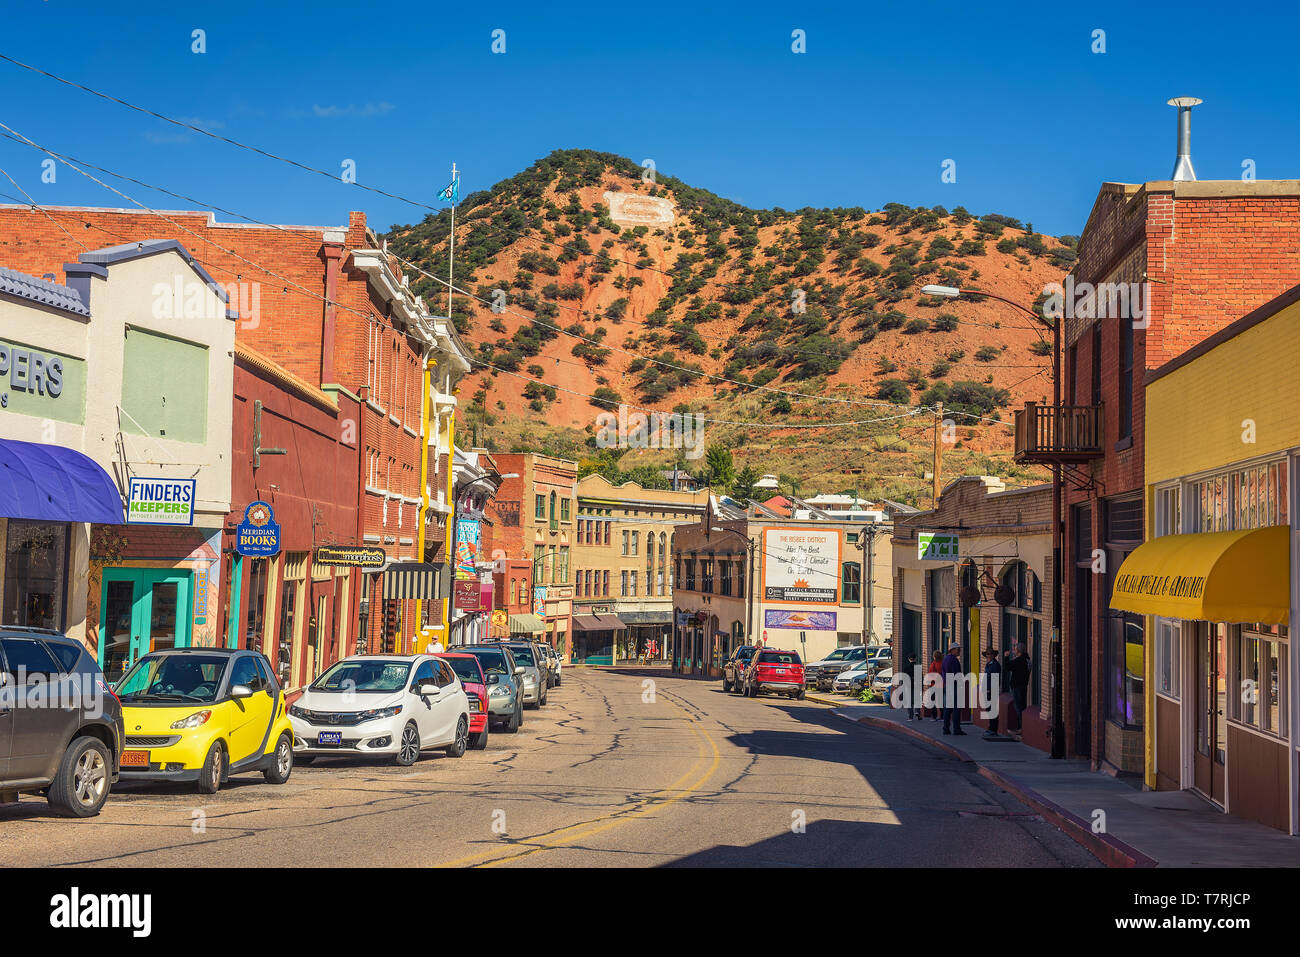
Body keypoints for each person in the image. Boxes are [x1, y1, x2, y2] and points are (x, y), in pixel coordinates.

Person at [1006, 642, 1031, 739]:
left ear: (1019, 650)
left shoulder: (1020, 660)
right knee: (1022, 706)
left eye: (1015, 649)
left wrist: (1006, 657)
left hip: (1018, 686)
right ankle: (1020, 727)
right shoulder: (1027, 660)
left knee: (1019, 707)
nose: (1014, 651)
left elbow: (1007, 667)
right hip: (1023, 685)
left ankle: (1021, 728)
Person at [941, 643, 965, 735]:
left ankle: (946, 728)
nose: (959, 651)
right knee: (956, 708)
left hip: (948, 684)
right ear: (952, 650)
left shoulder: (945, 659)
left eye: (959, 649)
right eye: (957, 649)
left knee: (948, 708)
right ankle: (956, 729)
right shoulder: (954, 660)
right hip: (955, 685)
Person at [981, 648, 1002, 738]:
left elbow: (995, 679)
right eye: (987, 654)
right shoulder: (988, 665)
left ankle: (993, 730)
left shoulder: (995, 665)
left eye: (990, 654)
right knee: (989, 710)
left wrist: (990, 689)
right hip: (987, 690)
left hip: (992, 690)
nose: (988, 656)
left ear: (994, 655)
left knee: (993, 710)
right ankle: (991, 728)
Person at [902, 651, 921, 719]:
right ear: (915, 659)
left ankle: (910, 716)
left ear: (909, 659)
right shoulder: (918, 667)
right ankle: (917, 712)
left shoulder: (906, 668)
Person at [926, 650, 944, 721]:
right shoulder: (943, 663)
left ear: (934, 657)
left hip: (934, 685)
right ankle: (942, 716)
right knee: (940, 701)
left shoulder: (933, 664)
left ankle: (934, 716)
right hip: (941, 684)